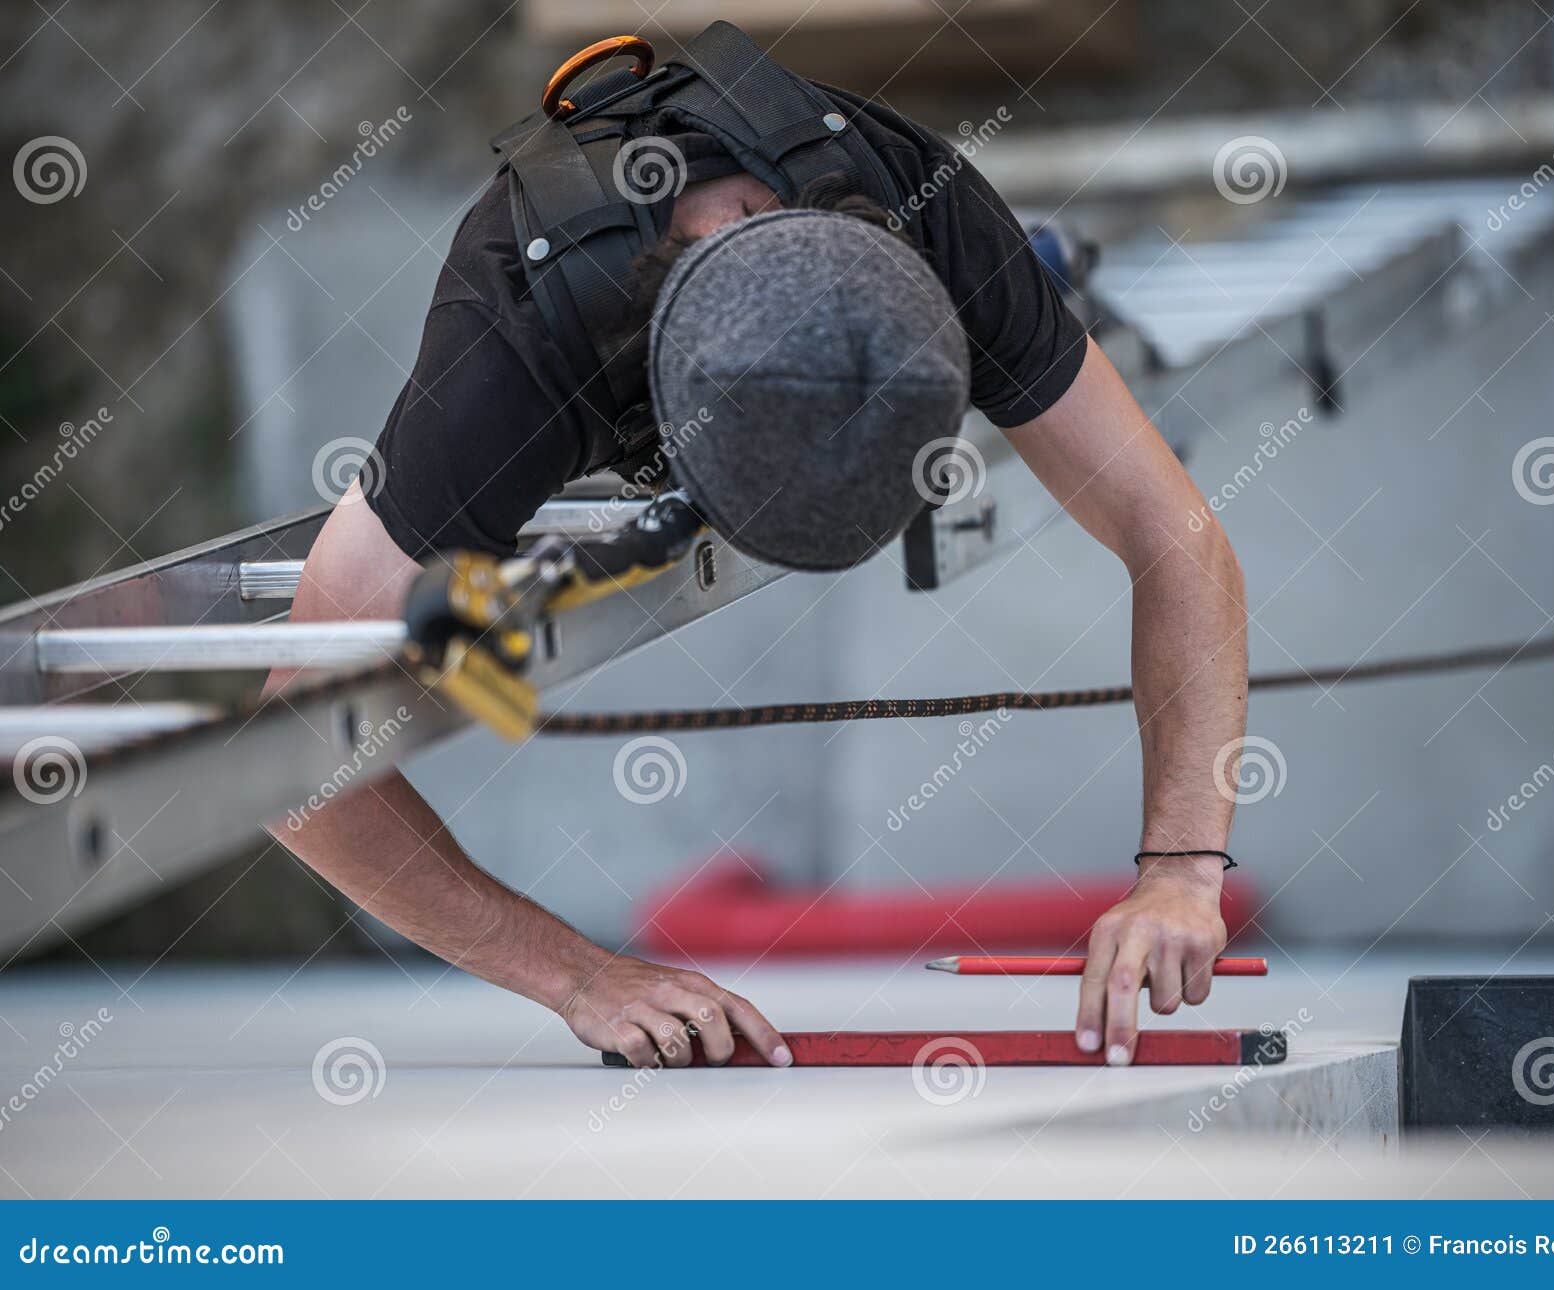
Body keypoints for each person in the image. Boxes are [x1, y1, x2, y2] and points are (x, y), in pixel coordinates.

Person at [264, 24, 1247, 1072]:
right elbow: (295, 753)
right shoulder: (513, 347)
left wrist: (1181, 873)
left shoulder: (927, 206)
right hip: (570, 336)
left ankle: (1053, 286)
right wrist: (576, 974)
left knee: (1038, 295)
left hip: (942, 254)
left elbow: (1174, 532)